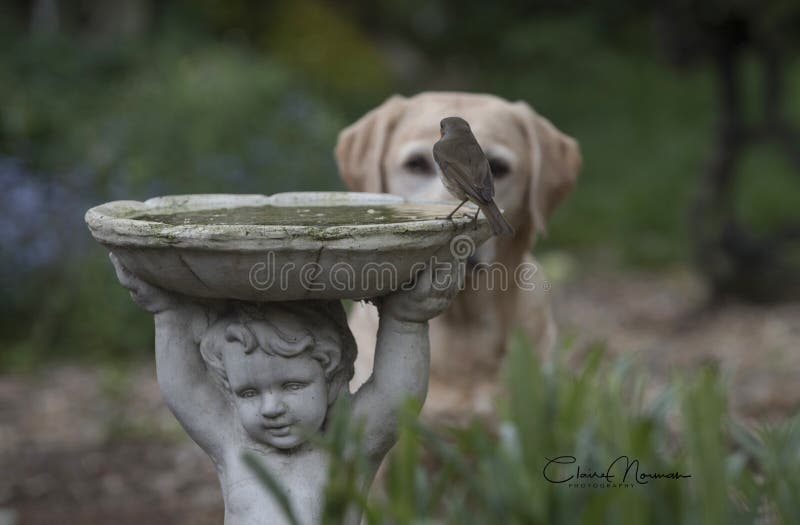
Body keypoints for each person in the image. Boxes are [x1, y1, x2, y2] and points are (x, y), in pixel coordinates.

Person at [110, 254, 462, 525]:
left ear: (331, 376)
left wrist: (406, 320)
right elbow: (184, 388)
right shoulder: (236, 444)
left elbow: (394, 396)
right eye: (248, 393)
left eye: (292, 385)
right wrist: (167, 312)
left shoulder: (348, 448)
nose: (270, 407)